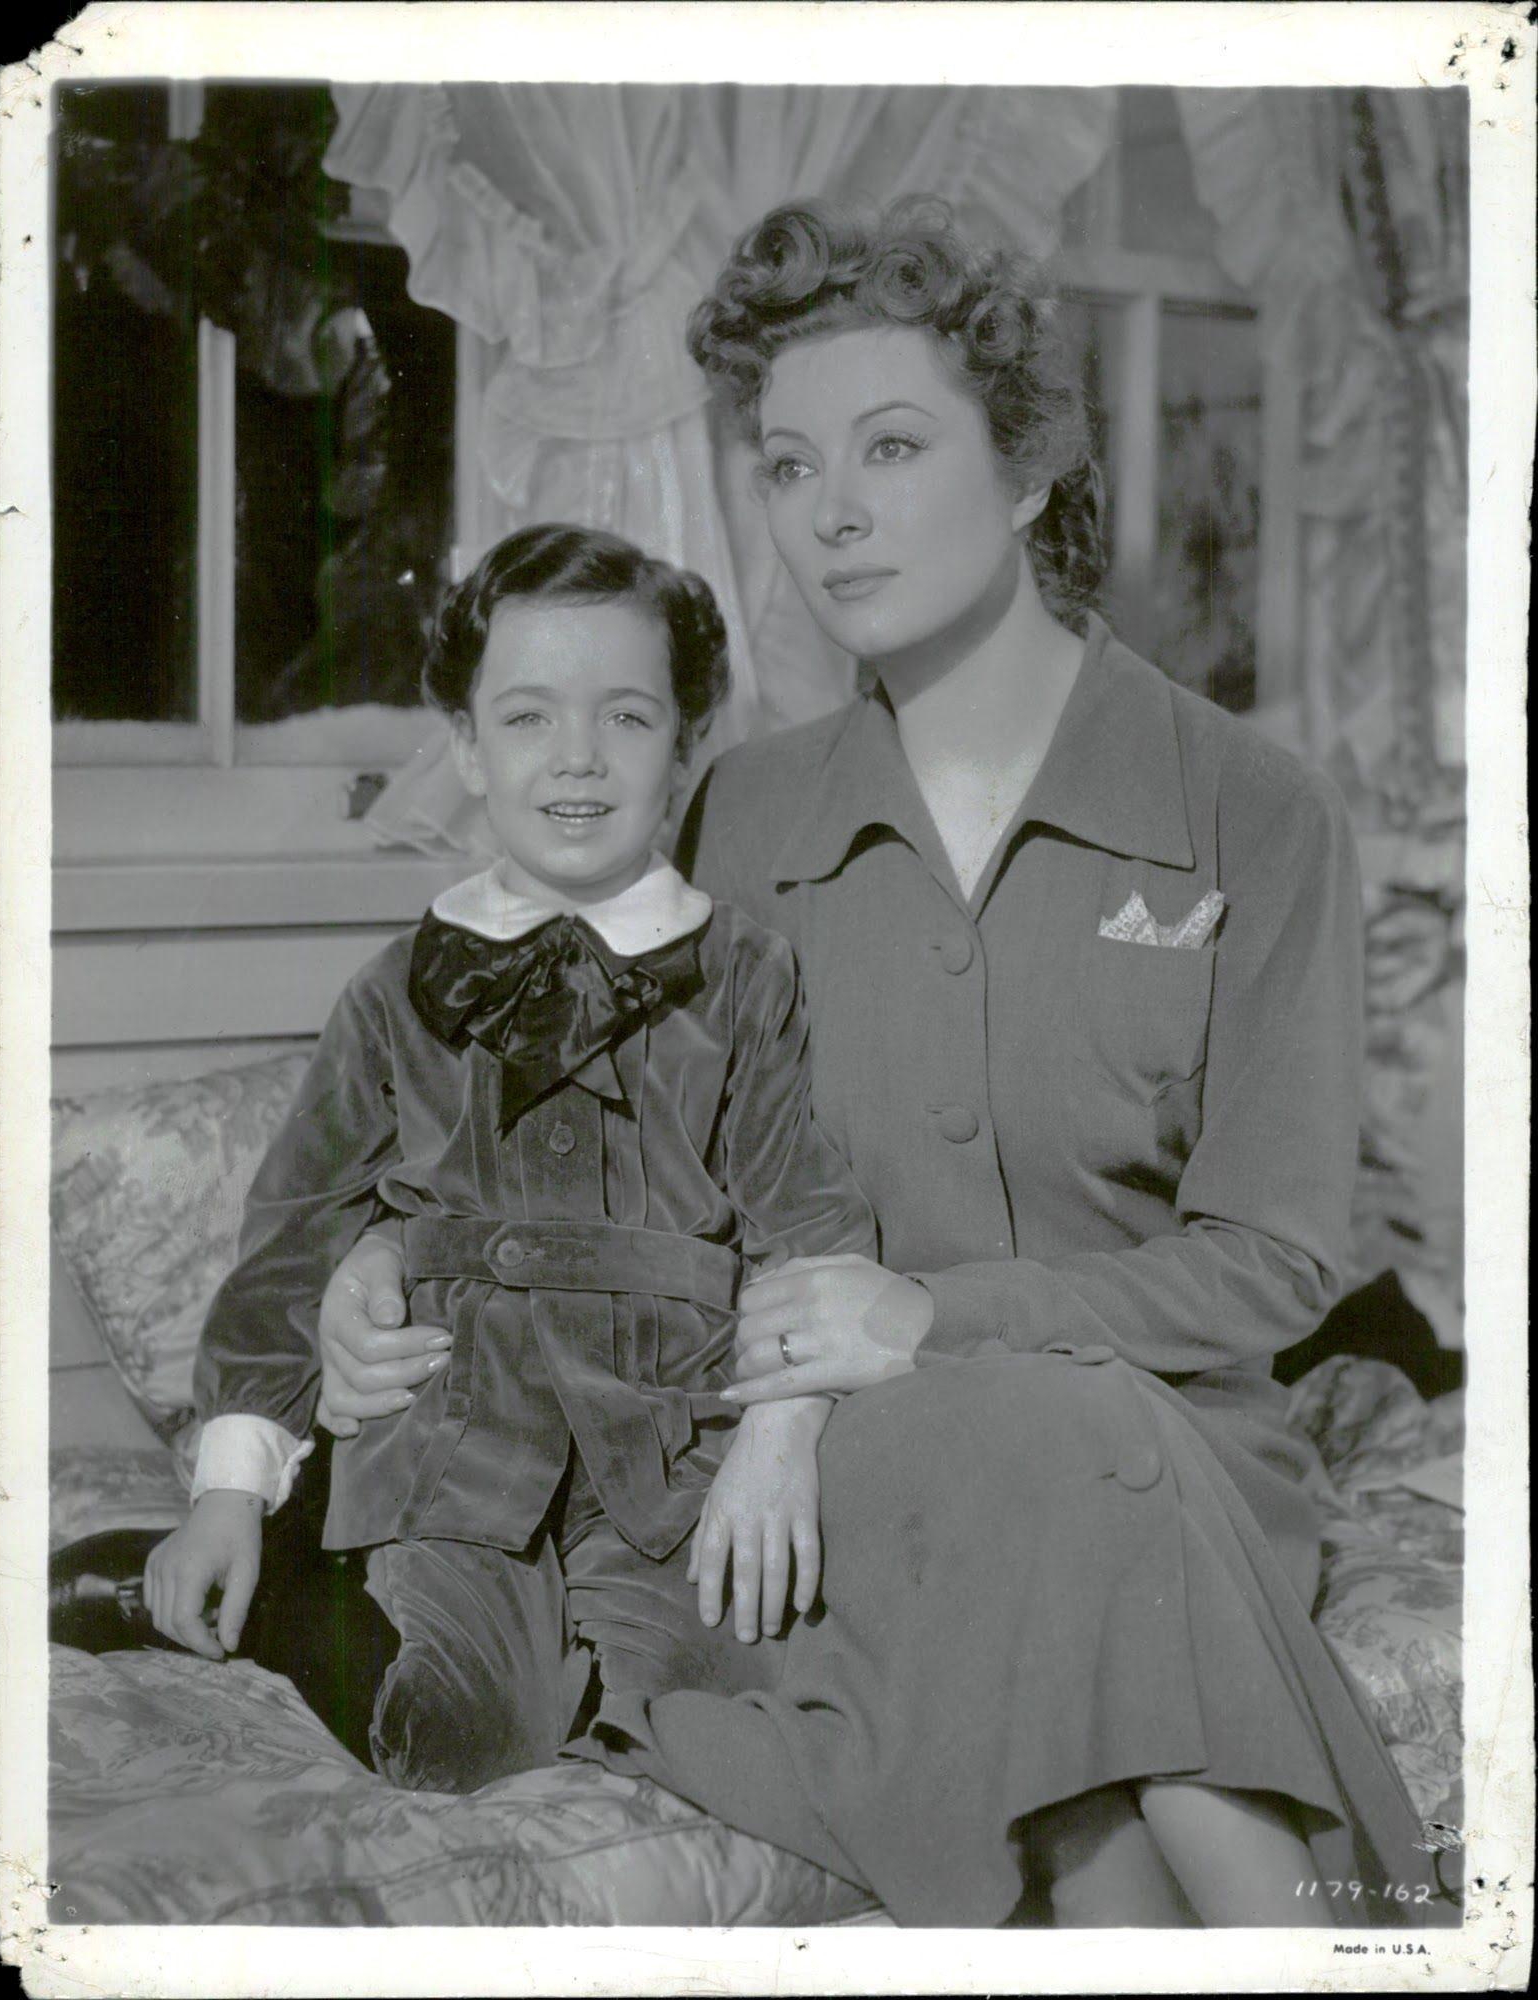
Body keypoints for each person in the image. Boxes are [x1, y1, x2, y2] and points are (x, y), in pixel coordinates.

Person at [271, 197, 1437, 1925]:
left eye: (889, 447)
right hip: (831, 1466)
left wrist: (931, 1320)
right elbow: (585, 1154)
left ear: (1026, 470)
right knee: (1050, 1563)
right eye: (787, 463)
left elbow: (1272, 1263)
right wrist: (378, 1258)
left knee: (1069, 1451)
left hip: (1176, 1460)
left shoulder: (1251, 812)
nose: (828, 512)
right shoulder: (739, 812)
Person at [77, 523, 878, 1795]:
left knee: (720, 1705)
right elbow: (293, 1242)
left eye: (626, 716)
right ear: (464, 746)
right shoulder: (398, 987)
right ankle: (257, 1576)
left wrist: (782, 1430)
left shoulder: (747, 977)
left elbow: (809, 1226)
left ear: (685, 745)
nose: (577, 755)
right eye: (526, 716)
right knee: (467, 1727)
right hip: (450, 1444)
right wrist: (227, 1491)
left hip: (663, 1453)